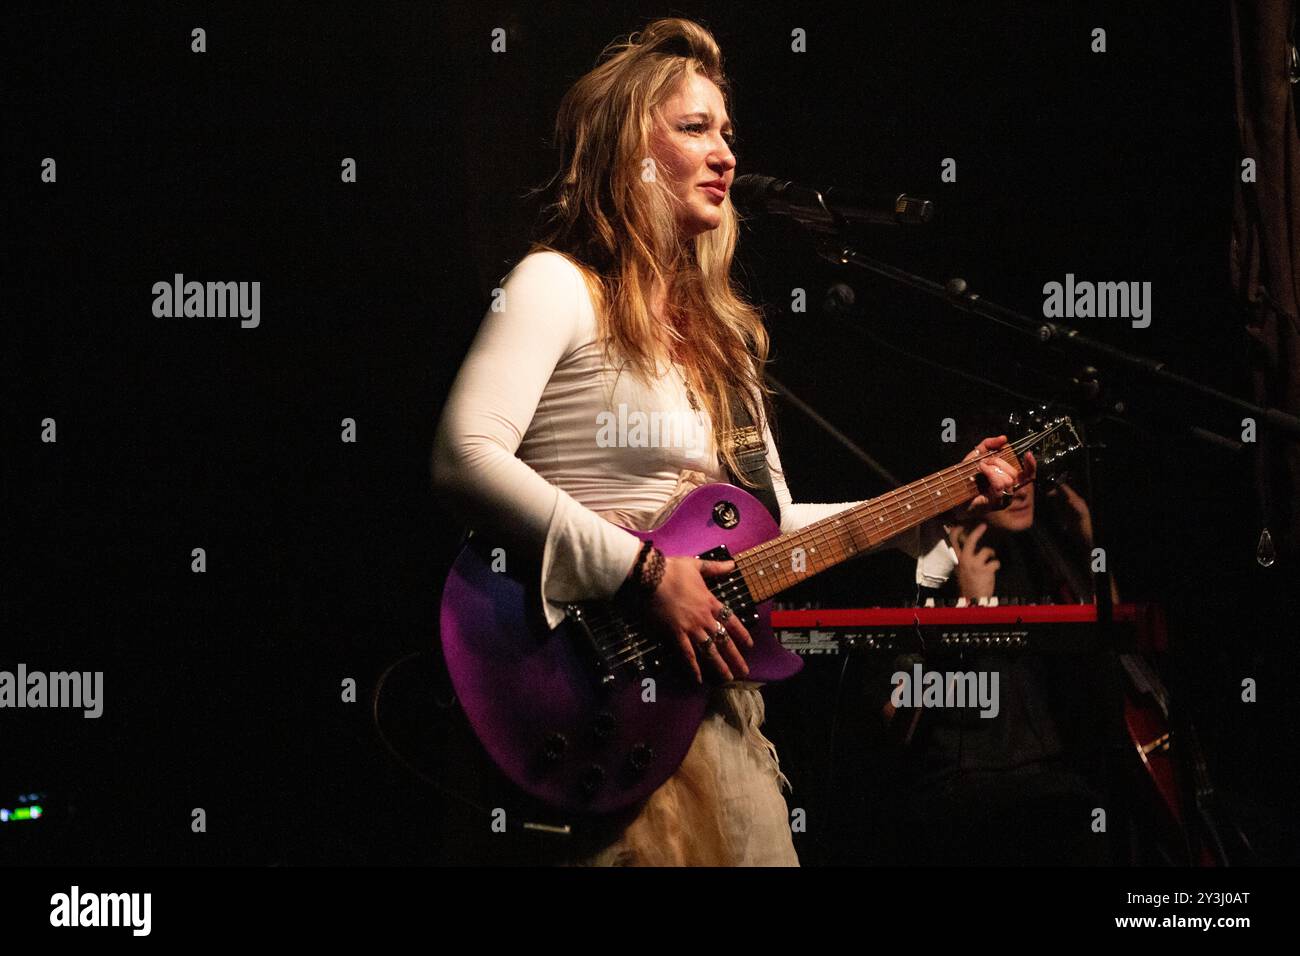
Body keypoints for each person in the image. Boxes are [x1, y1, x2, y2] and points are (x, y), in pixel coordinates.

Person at [431, 17, 1031, 866]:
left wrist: (937, 499)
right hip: (582, 688)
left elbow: (770, 528)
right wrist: (645, 575)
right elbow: (464, 457)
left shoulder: (726, 341)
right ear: (625, 149)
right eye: (693, 128)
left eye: (727, 133)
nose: (725, 154)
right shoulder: (555, 285)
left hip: (711, 715)